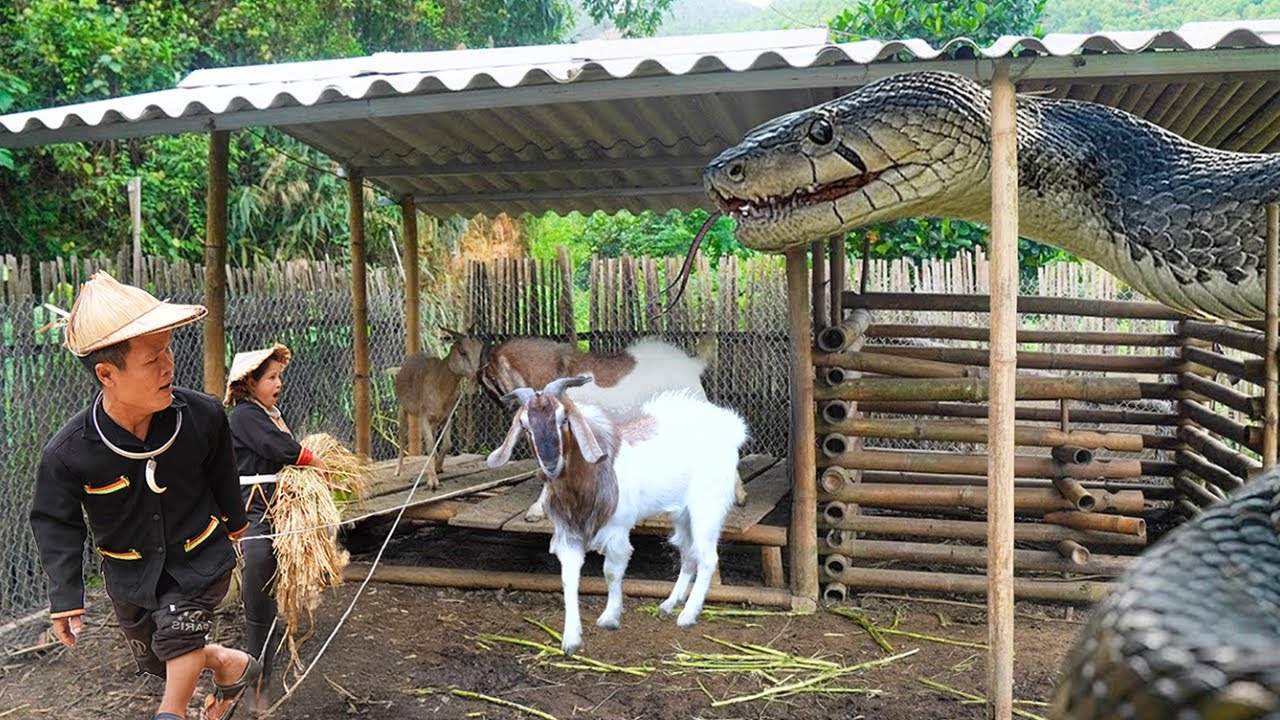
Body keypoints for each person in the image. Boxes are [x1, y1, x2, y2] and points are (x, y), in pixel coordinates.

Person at [29, 271, 261, 720]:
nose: (169, 364)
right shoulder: (68, 453)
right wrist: (65, 595)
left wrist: (236, 525)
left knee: (178, 637)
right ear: (106, 374)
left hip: (199, 559)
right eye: (153, 358)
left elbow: (223, 474)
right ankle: (229, 663)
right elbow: (56, 523)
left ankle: (170, 715)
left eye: (169, 349)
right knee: (160, 658)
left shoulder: (204, 416)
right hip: (130, 575)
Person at [224, 343, 327, 713]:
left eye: (279, 376)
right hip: (253, 519)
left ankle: (256, 677)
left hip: (271, 515)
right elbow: (283, 449)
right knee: (259, 590)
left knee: (268, 598)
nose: (278, 383)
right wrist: (313, 460)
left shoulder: (265, 413)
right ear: (249, 383)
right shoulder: (245, 416)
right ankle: (255, 686)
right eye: (271, 377)